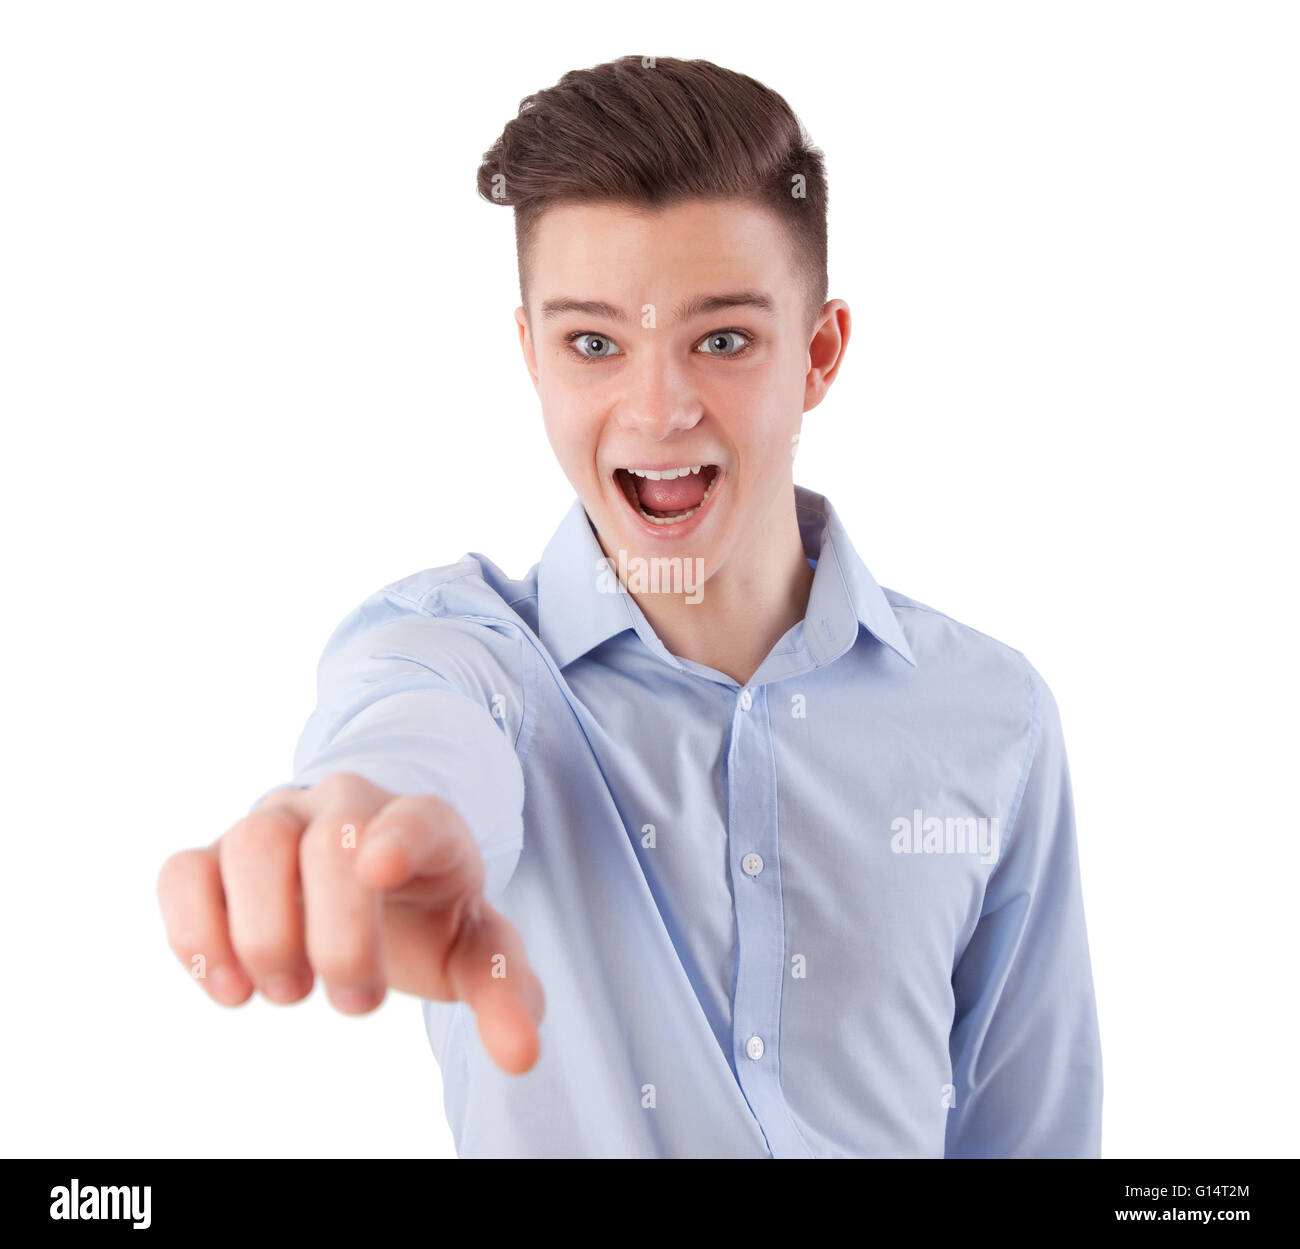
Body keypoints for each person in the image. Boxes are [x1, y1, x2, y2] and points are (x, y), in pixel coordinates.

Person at [157, 55, 1102, 1158]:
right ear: (533, 358)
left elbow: (1031, 1133)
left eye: (724, 339)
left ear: (819, 353)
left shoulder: (993, 712)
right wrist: (362, 820)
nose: (656, 411)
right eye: (594, 343)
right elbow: (414, 735)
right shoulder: (472, 661)